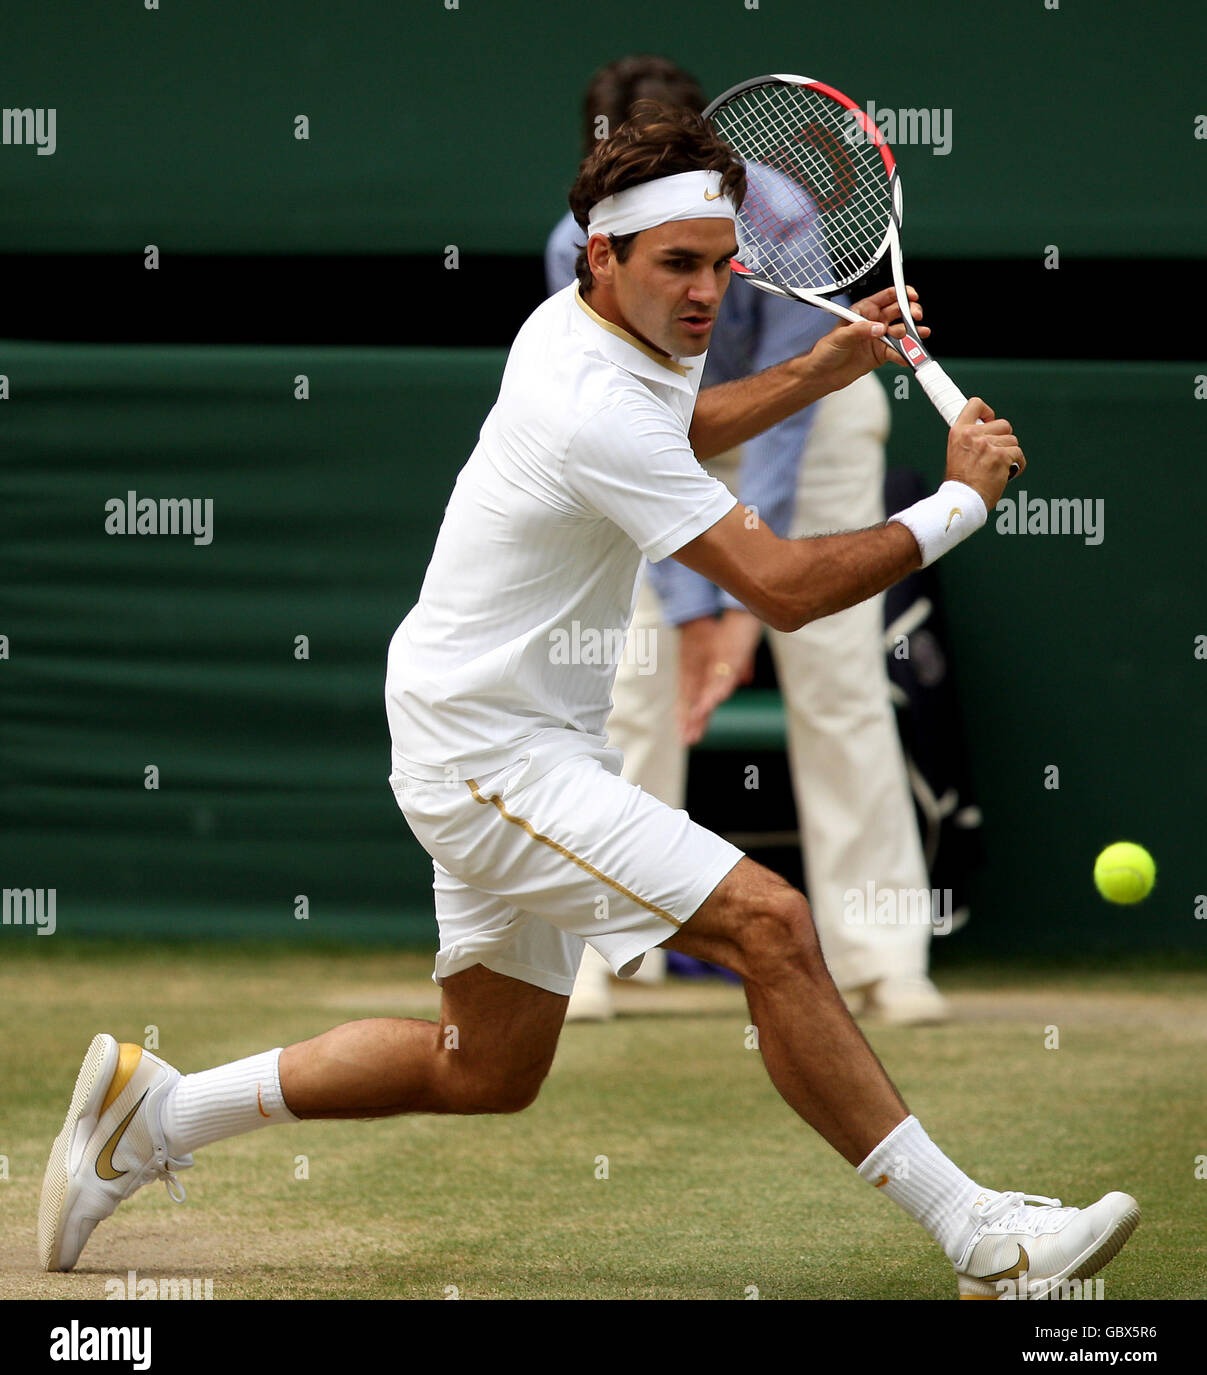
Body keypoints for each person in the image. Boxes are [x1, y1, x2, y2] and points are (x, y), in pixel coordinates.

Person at [38, 103, 1138, 1299]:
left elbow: (679, 430)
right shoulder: (592, 398)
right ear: (600, 255)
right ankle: (986, 1236)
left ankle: (154, 1116)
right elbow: (775, 588)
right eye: (677, 266)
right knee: (768, 925)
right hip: (490, 755)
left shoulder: (585, 335)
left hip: (489, 727)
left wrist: (819, 367)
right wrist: (956, 505)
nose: (708, 293)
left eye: (723, 265)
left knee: (485, 1069)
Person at [546, 56, 947, 1025]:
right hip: (663, 429)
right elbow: (629, 440)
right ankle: (600, 951)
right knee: (626, 681)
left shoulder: (784, 220)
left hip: (807, 424)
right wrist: (693, 612)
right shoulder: (575, 245)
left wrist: (741, 602)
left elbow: (789, 400)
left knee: (836, 675)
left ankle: (884, 956)